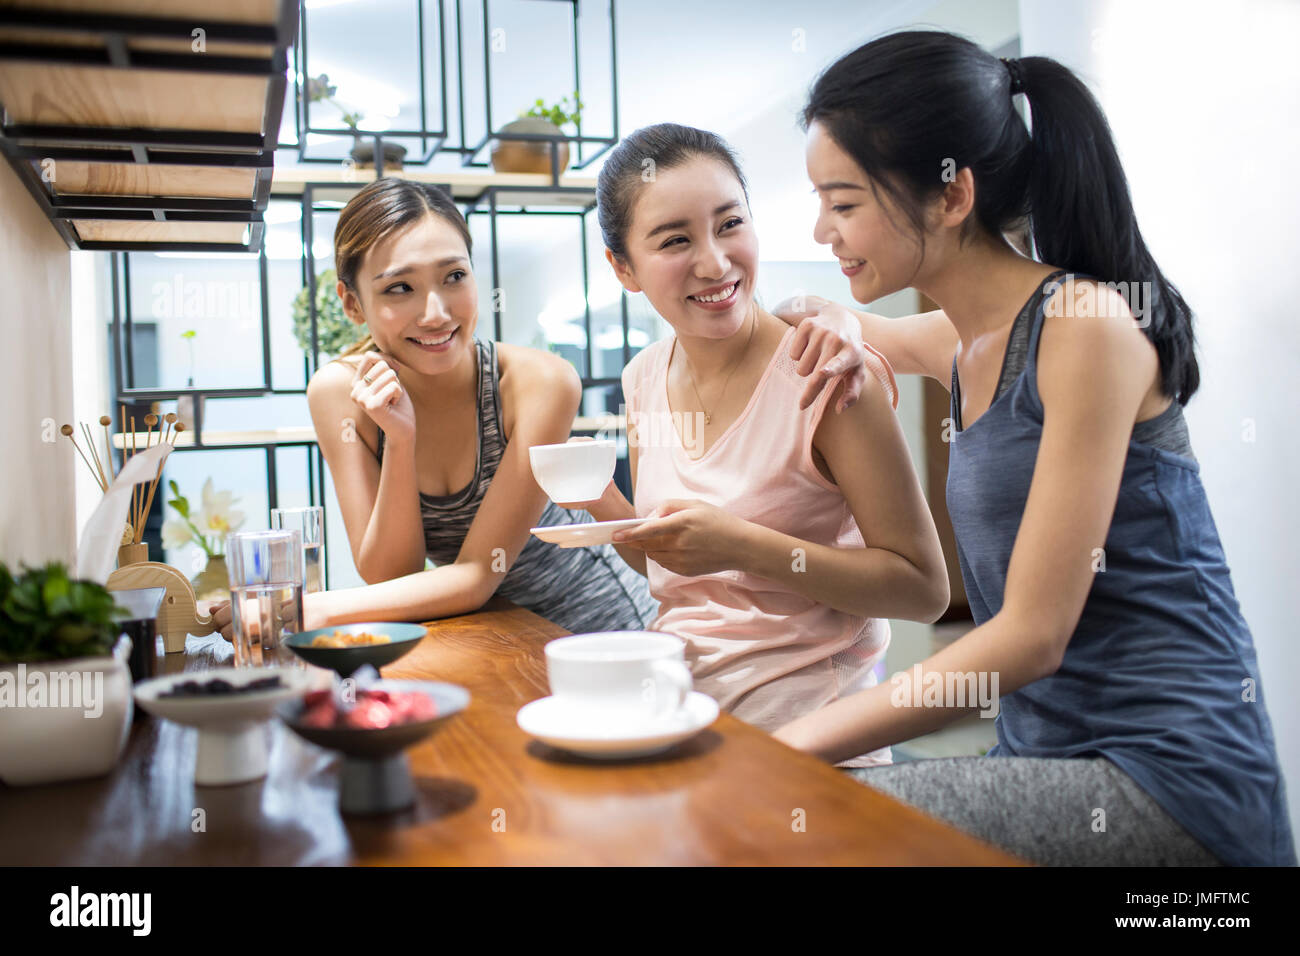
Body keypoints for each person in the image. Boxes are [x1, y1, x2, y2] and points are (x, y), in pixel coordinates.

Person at [770, 31, 1294, 866]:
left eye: (843, 202)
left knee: (800, 815)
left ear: (950, 196)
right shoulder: (967, 337)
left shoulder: (1085, 331)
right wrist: (826, 314)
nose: (823, 229)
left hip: (1168, 779)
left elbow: (1032, 637)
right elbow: (840, 319)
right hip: (1045, 756)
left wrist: (790, 744)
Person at [563, 123, 949, 767]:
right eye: (675, 240)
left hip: (815, 752)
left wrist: (740, 545)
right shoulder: (642, 378)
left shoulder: (827, 370)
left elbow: (923, 590)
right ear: (623, 268)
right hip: (681, 726)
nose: (714, 262)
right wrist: (593, 498)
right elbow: (679, 571)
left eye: (730, 224)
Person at [212, 178, 656, 639]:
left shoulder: (539, 383)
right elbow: (390, 576)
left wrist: (309, 609)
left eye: (454, 277)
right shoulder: (339, 395)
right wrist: (400, 440)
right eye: (400, 287)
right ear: (352, 303)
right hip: (485, 636)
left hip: (601, 624)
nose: (436, 313)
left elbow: (478, 576)